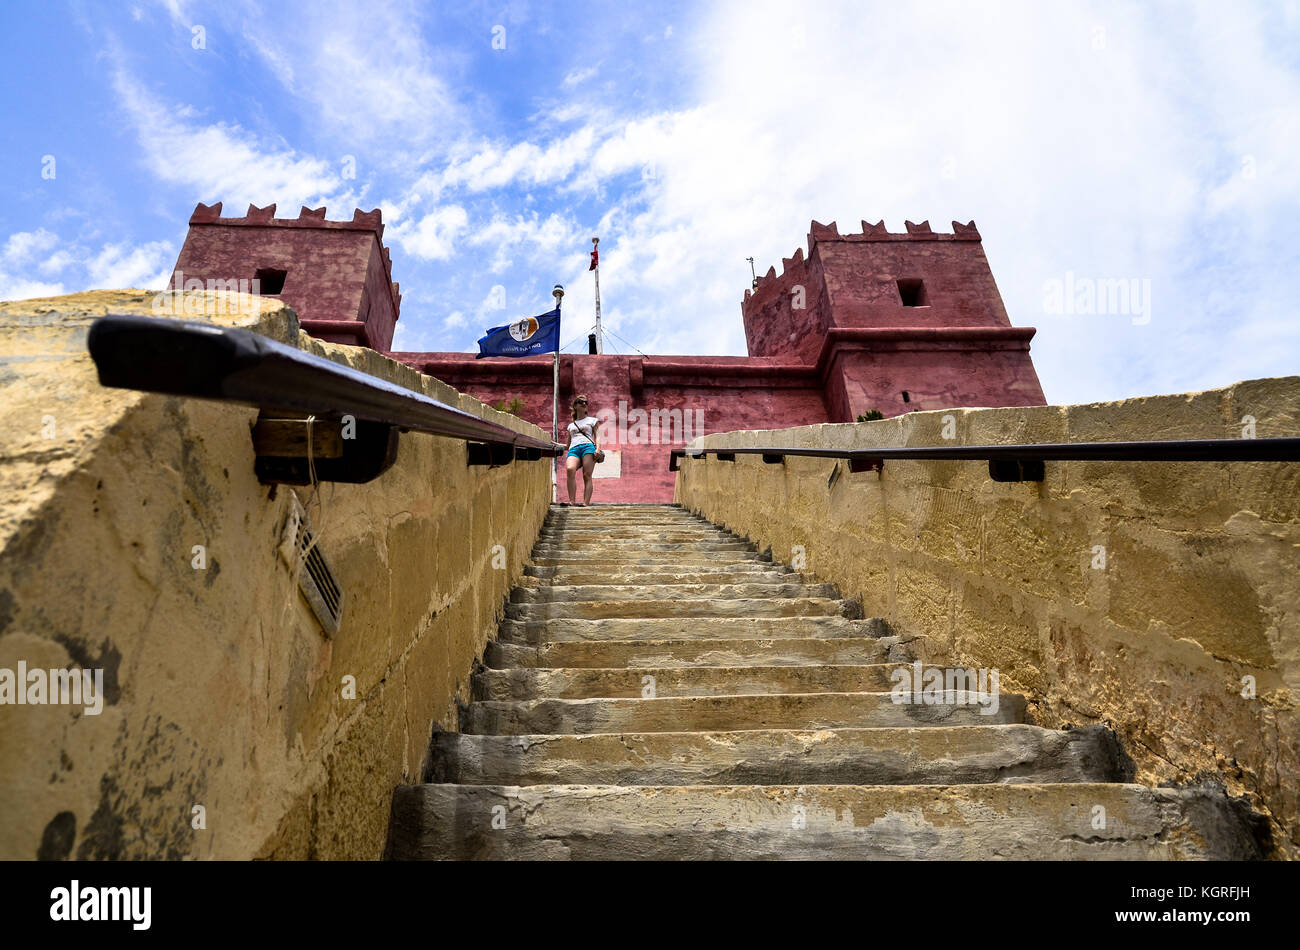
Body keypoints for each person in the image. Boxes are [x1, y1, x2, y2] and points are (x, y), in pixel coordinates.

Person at [563, 395, 603, 506]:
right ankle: (572, 501)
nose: (584, 403)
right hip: (574, 449)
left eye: (586, 402)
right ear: (575, 406)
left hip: (588, 447)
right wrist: (554, 444)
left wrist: (598, 449)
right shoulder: (571, 425)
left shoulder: (592, 420)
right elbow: (568, 445)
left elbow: (598, 436)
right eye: (580, 402)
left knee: (587, 475)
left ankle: (585, 503)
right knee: (570, 469)